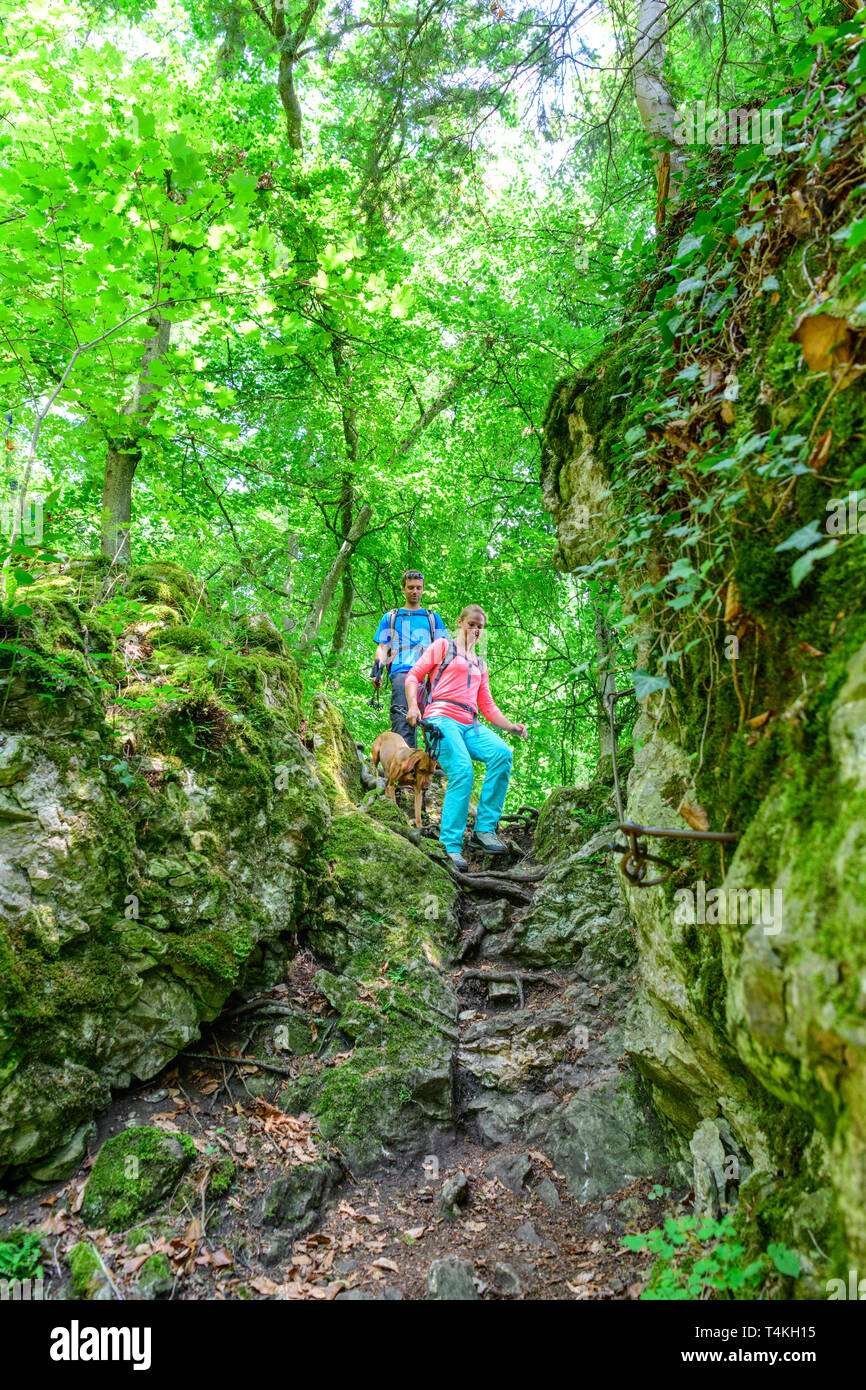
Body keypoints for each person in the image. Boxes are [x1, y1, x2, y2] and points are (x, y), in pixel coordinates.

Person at [404, 603, 528, 870]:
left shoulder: (480, 663)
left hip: (470, 723)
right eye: (471, 624)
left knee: (502, 754)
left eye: (480, 627)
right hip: (440, 718)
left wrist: (510, 727)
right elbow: (413, 676)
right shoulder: (442, 647)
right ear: (460, 622)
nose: (475, 630)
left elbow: (488, 706)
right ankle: (450, 846)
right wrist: (414, 706)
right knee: (462, 769)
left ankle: (484, 830)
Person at [371, 570, 448, 748]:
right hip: (401, 672)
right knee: (402, 720)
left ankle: (432, 769)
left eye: (418, 588)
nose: (415, 591)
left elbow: (445, 650)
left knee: (434, 722)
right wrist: (377, 671)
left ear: (423, 590)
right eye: (411, 587)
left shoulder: (433, 618)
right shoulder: (391, 617)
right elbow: (383, 646)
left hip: (429, 677)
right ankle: (406, 769)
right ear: (403, 589)